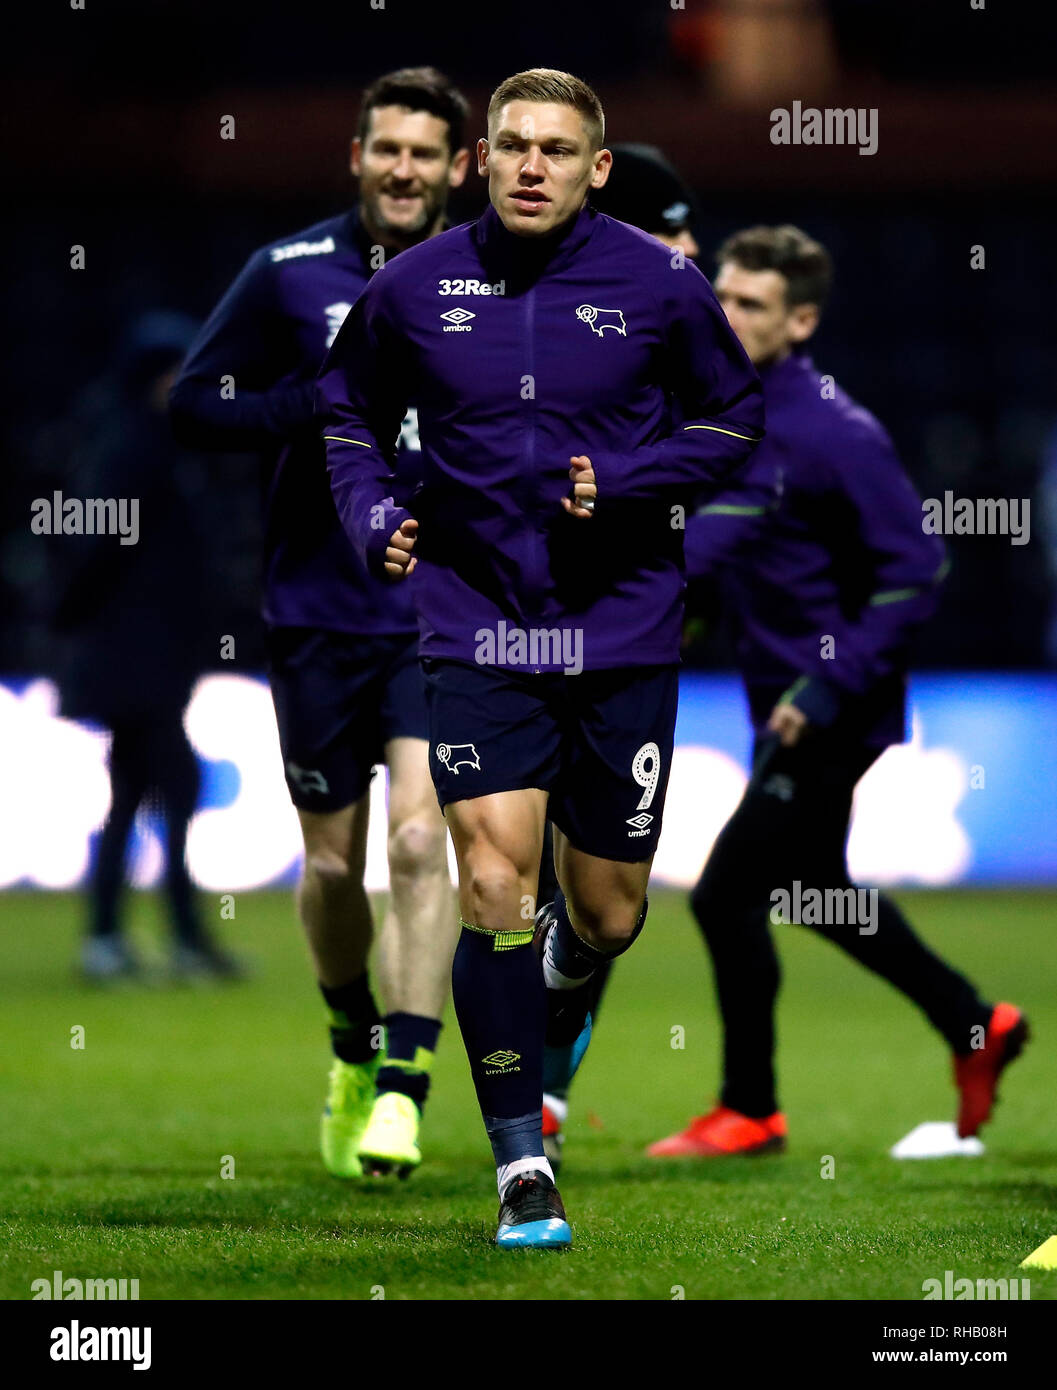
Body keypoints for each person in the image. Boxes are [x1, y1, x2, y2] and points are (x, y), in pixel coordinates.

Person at [319, 68, 763, 1247]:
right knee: (492, 882)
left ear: (595, 170)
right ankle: (521, 1165)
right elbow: (346, 417)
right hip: (477, 628)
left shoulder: (660, 282)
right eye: (511, 145)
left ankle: (566, 965)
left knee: (608, 914)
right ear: (481, 162)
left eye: (557, 151)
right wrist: (372, 518)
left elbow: (733, 420)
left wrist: (630, 482)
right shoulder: (413, 286)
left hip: (619, 631)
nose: (530, 166)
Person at [646, 225, 1028, 1157]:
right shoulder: (730, 412)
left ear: (801, 320)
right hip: (782, 695)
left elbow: (913, 571)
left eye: (750, 305)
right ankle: (975, 1022)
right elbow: (742, 554)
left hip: (832, 707)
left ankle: (750, 1107)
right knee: (817, 891)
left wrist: (823, 686)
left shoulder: (832, 430)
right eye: (721, 297)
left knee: (725, 894)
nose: (726, 317)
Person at [170, 68, 469, 1179]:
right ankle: (348, 1045)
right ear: (357, 157)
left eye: (424, 153)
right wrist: (310, 403)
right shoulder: (286, 274)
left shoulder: (488, 275)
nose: (403, 169)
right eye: (386, 149)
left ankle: (403, 1082)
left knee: (416, 837)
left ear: (456, 168)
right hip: (313, 613)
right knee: (336, 865)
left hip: (440, 609)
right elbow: (196, 404)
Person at [54, 312, 244, 982]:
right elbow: (97, 547)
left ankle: (112, 938)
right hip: (136, 657)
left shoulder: (146, 443)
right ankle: (176, 940)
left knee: (135, 793)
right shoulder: (138, 446)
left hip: (146, 653)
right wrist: (80, 620)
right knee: (173, 786)